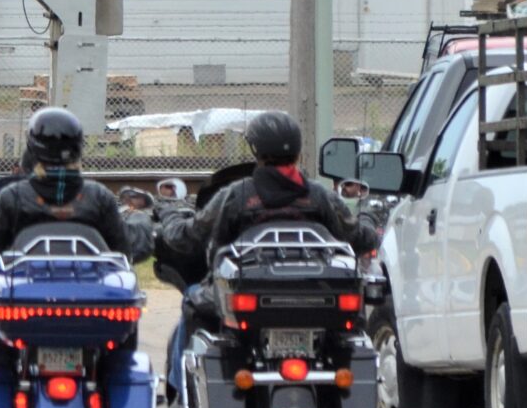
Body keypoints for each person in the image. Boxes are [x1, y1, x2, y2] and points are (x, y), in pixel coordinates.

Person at [160, 110, 376, 392]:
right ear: (298, 151)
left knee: (192, 301)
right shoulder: (319, 195)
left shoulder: (237, 195)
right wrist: (368, 215)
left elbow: (190, 235)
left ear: (255, 150)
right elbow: (359, 237)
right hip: (317, 297)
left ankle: (180, 392)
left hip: (250, 299)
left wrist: (171, 213)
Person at [0, 107, 149, 352]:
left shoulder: (13, 196)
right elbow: (123, 251)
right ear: (78, 148)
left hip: (23, 303)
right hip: (90, 301)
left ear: (32, 149)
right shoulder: (99, 197)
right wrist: (142, 218)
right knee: (126, 311)